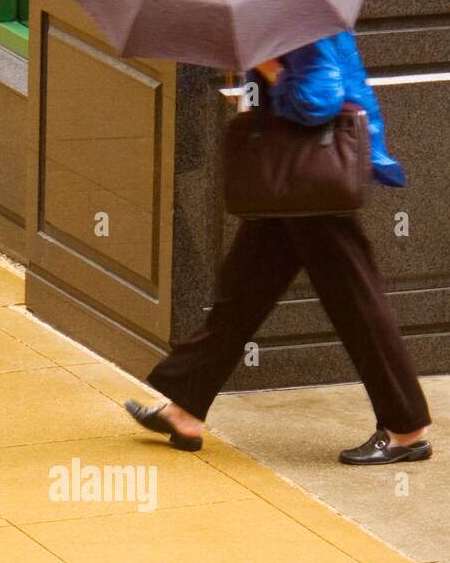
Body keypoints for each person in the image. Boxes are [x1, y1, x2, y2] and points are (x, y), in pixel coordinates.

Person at [126, 30, 432, 466]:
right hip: (289, 175)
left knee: (356, 302)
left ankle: (407, 428)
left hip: (313, 177)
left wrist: (268, 67)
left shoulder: (300, 23)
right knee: (242, 293)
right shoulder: (278, 18)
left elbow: (319, 100)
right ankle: (185, 410)